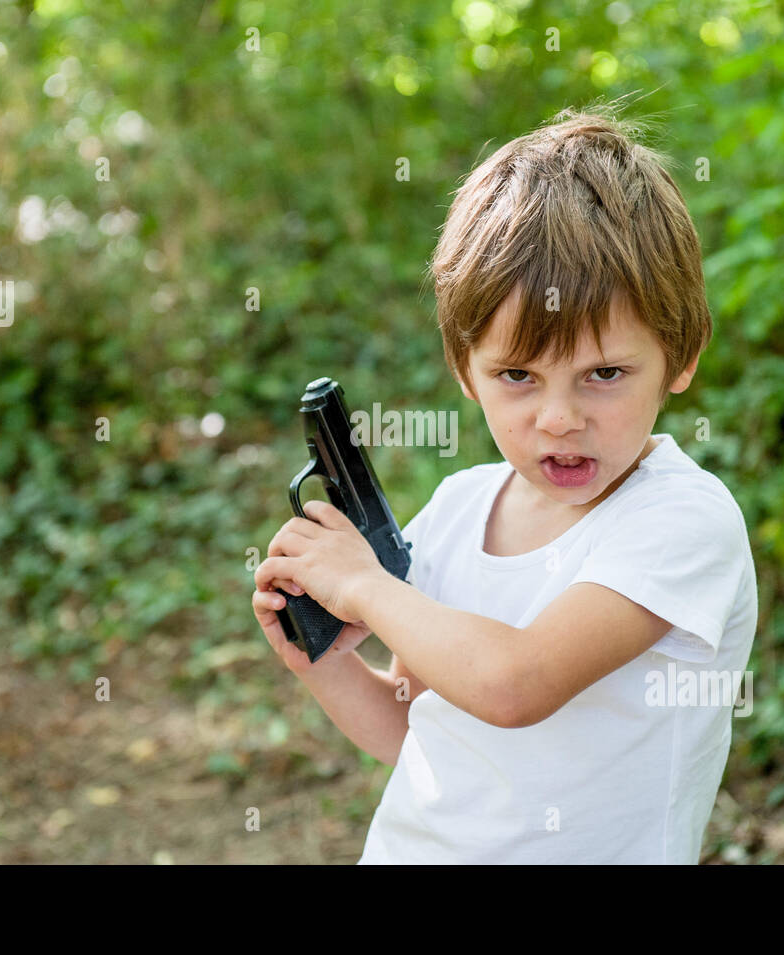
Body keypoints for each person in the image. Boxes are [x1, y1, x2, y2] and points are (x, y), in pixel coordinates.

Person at [252, 105, 758, 864]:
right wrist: (321, 662)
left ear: (681, 356)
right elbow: (420, 728)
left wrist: (365, 587)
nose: (559, 418)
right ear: (465, 369)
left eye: (605, 374)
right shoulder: (459, 507)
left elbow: (515, 683)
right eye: (517, 376)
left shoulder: (682, 520)